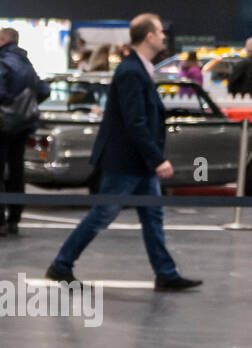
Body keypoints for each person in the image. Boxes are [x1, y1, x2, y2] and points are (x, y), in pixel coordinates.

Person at [46, 13, 201, 291]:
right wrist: (157, 158)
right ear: (149, 36)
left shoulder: (138, 68)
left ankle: (166, 273)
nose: (164, 36)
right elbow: (135, 121)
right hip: (126, 161)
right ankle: (61, 265)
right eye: (160, 31)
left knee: (152, 216)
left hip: (137, 163)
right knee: (102, 214)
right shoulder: (131, 71)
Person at [0, 28, 48, 236]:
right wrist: (25, 105)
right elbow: (44, 90)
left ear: (2, 40)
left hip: (1, 124)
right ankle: (15, 219)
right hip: (23, 126)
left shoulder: (1, 62)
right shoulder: (27, 63)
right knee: (16, 171)